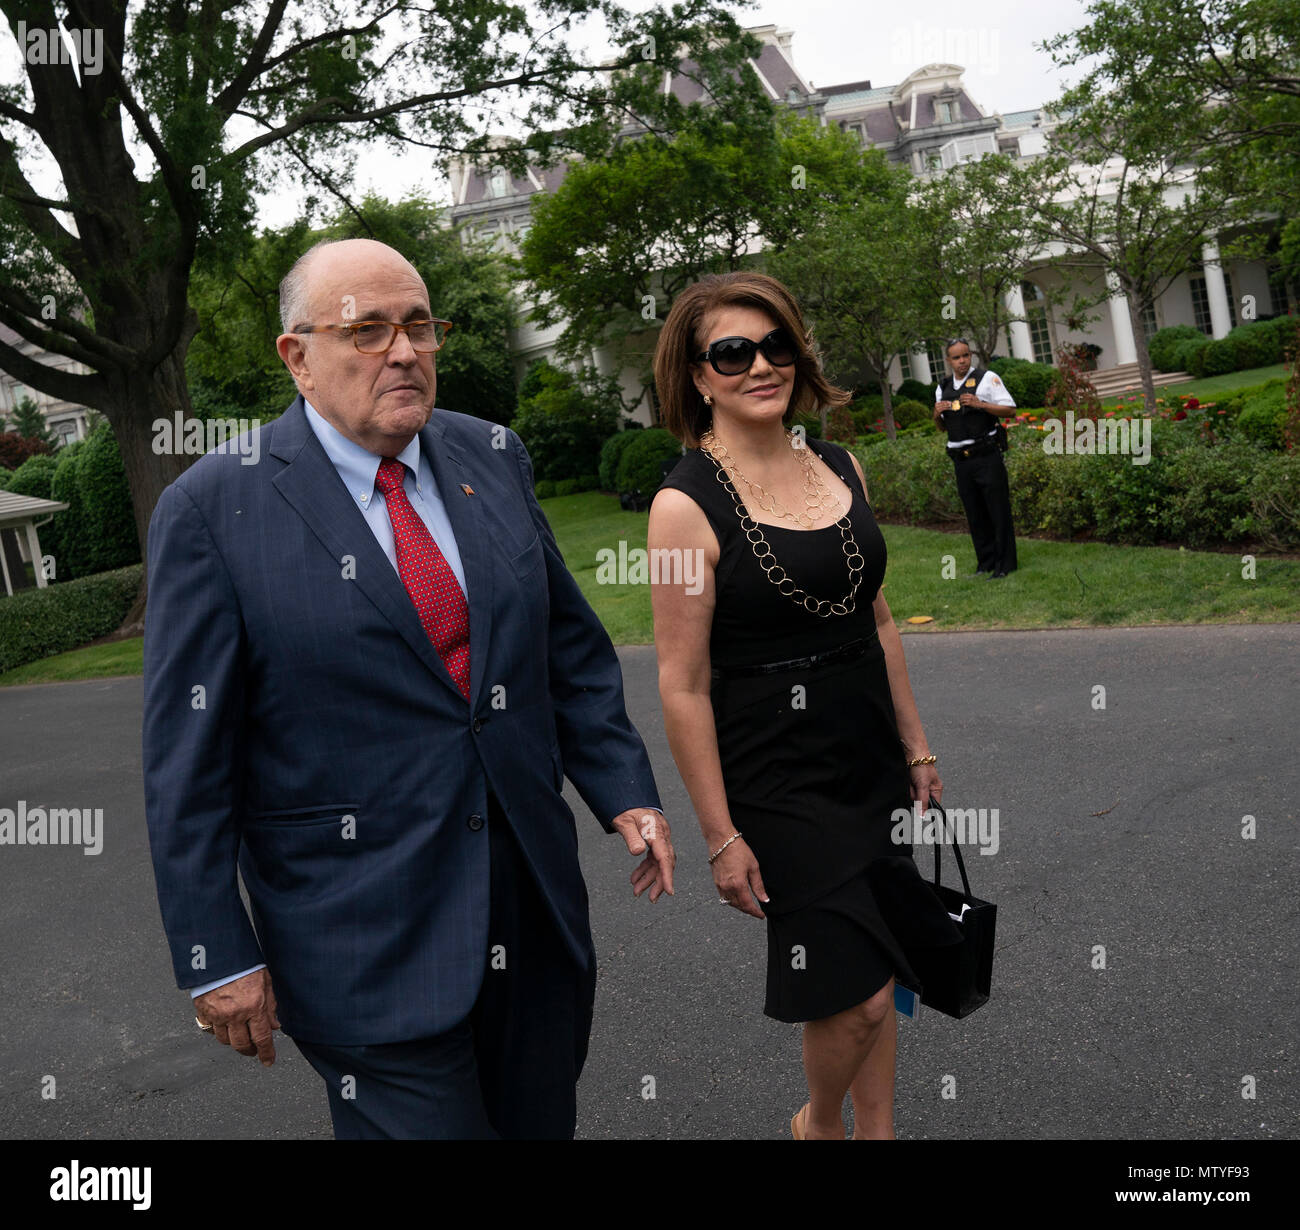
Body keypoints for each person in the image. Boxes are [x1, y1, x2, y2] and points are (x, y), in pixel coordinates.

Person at [141, 237, 675, 1140]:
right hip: (358, 939)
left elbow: (567, 649)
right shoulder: (210, 510)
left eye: (420, 326)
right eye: (369, 330)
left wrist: (623, 792)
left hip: (529, 912)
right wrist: (214, 953)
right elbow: (186, 761)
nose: (404, 351)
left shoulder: (491, 454)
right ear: (296, 356)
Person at [648, 272, 963, 1140]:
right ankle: (819, 1125)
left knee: (884, 952)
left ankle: (879, 1132)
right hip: (777, 775)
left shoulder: (837, 464)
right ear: (699, 375)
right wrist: (720, 834)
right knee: (856, 996)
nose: (762, 364)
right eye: (734, 352)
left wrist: (917, 746)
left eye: (777, 343)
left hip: (865, 750)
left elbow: (881, 616)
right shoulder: (679, 508)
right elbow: (679, 682)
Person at [932, 338, 1018, 577]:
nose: (962, 361)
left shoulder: (987, 379)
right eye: (957, 357)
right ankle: (986, 563)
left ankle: (1005, 565)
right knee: (975, 513)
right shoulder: (943, 386)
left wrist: (981, 404)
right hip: (961, 460)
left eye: (966, 355)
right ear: (948, 360)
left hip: (986, 455)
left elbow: (1010, 409)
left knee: (997, 510)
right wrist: (936, 414)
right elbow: (941, 427)